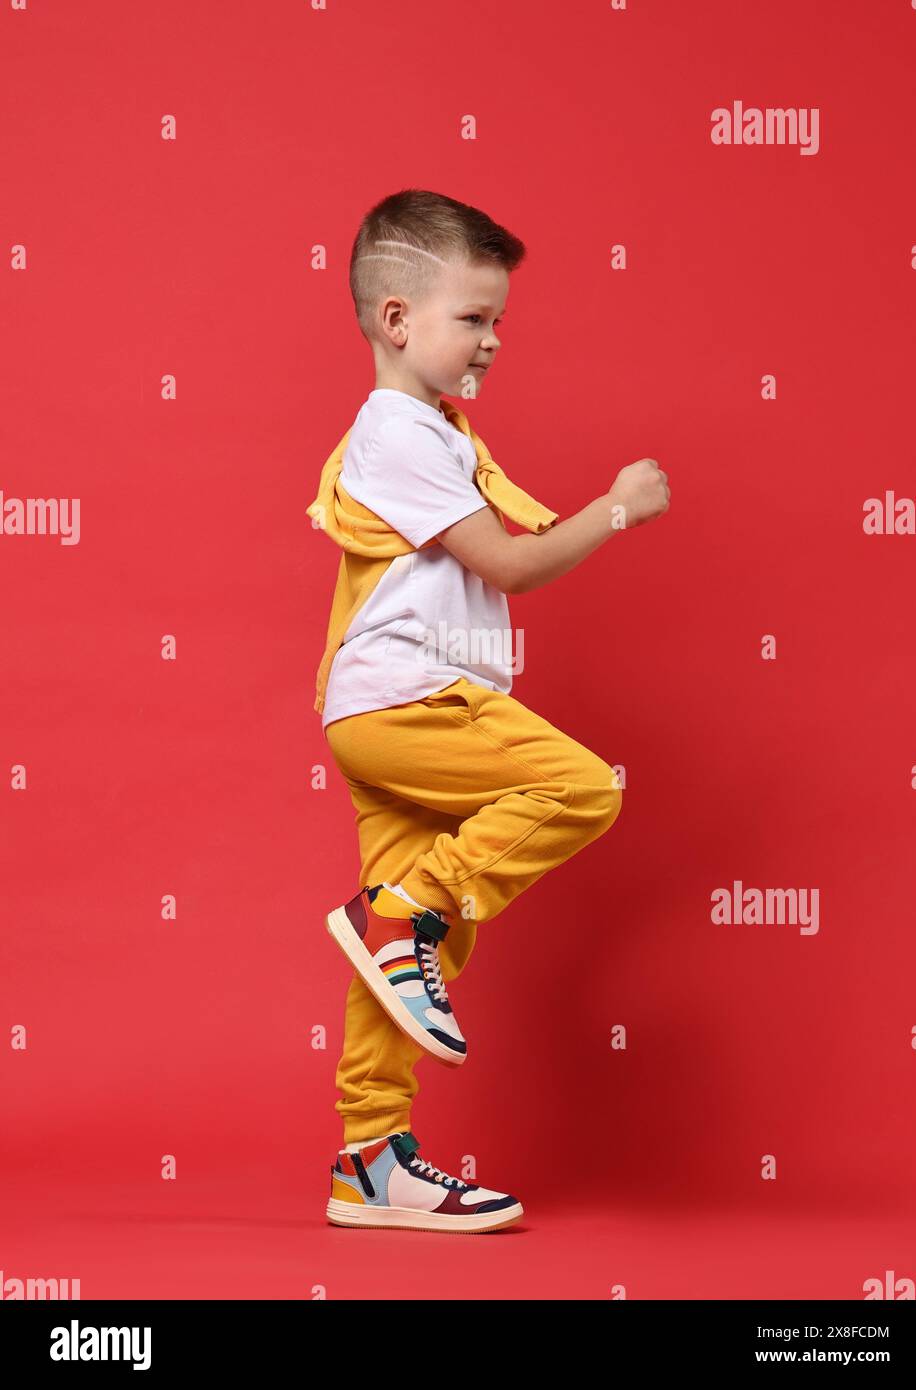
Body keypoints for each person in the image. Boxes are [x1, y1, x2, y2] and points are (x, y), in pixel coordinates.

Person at [307, 188, 670, 1233]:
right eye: (473, 318)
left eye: (498, 318)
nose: (494, 339)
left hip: (384, 708)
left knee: (402, 963)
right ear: (395, 320)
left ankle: (369, 1161)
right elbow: (510, 561)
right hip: (411, 698)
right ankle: (400, 912)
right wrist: (617, 506)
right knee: (578, 788)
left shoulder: (433, 433)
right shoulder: (401, 432)